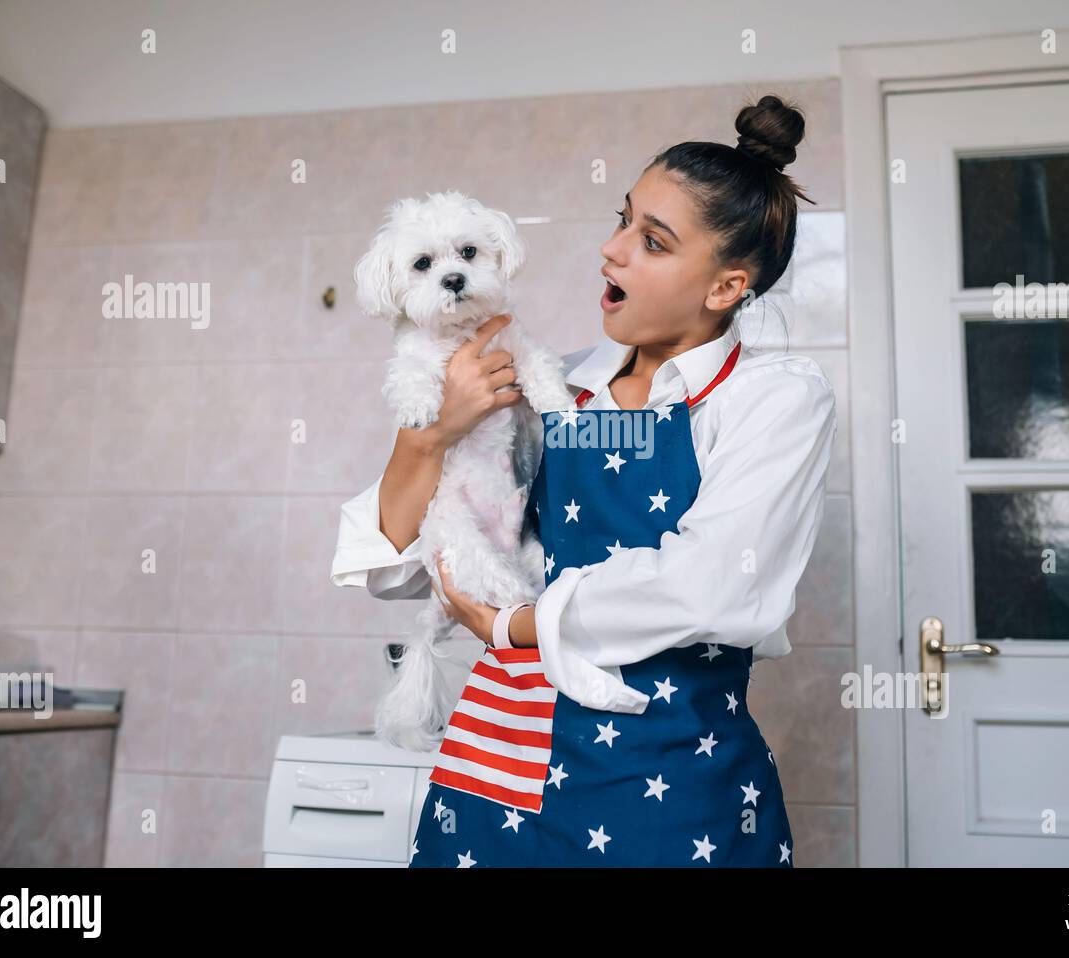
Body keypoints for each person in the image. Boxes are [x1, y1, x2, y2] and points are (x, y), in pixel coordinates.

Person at [331, 93, 837, 867]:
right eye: (621, 219)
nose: (612, 251)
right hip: (493, 768)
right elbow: (396, 570)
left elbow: (712, 587)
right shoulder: (558, 385)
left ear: (726, 287)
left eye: (653, 242)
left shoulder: (770, 399)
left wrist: (512, 627)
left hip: (668, 783)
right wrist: (431, 433)